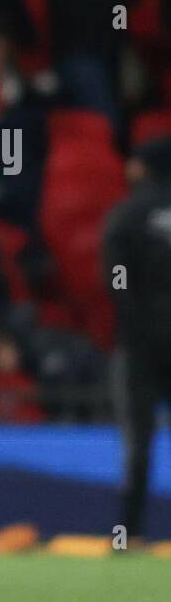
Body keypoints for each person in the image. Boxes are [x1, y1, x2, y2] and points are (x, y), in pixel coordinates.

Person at [103, 138, 171, 540]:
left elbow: (116, 283)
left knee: (138, 441)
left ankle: (129, 532)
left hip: (140, 346)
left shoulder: (127, 216)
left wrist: (139, 331)